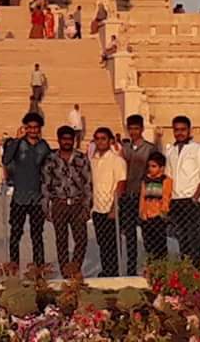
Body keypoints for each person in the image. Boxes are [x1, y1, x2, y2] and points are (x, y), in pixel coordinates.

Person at [2, 112, 51, 270]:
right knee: (16, 233)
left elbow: (49, 168)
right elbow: (6, 159)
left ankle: (39, 267)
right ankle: (14, 264)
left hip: (36, 197)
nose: (32, 130)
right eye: (29, 127)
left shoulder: (44, 147)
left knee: (37, 234)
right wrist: (16, 140)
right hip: (20, 197)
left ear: (40, 129)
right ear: (25, 128)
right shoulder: (18, 145)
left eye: (35, 128)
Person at [42, 126, 91, 278]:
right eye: (64, 139)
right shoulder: (51, 159)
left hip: (77, 204)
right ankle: (65, 272)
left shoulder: (81, 158)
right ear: (59, 140)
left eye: (70, 139)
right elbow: (45, 184)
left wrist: (87, 206)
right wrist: (46, 207)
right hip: (59, 204)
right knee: (61, 241)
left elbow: (88, 183)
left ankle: (74, 269)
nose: (67, 142)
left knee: (81, 240)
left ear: (74, 140)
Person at [164, 115, 200, 267]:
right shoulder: (170, 151)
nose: (179, 133)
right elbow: (168, 176)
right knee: (181, 236)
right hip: (176, 200)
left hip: (191, 198)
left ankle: (196, 269)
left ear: (189, 130)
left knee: (193, 236)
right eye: (176, 130)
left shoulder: (199, 150)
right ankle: (185, 267)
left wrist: (195, 198)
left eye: (183, 130)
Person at [120, 114, 157, 276]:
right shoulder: (125, 148)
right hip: (128, 197)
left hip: (143, 197)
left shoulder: (150, 148)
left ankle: (151, 268)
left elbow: (154, 174)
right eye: (131, 129)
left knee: (148, 234)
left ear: (141, 129)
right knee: (130, 236)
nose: (133, 132)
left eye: (136, 128)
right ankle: (131, 269)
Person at [89, 127, 126, 277]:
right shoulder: (93, 160)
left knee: (112, 243)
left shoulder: (117, 160)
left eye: (103, 138)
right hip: (98, 208)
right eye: (97, 138)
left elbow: (121, 184)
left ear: (110, 140)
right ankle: (106, 270)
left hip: (111, 207)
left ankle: (114, 271)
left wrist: (114, 208)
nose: (100, 142)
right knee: (102, 242)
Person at [138, 151, 173, 261]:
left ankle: (161, 269)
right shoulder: (146, 179)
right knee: (148, 244)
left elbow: (166, 197)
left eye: (154, 166)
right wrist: (141, 212)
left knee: (160, 245)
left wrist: (163, 213)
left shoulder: (166, 180)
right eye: (149, 166)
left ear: (161, 168)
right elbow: (142, 196)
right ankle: (151, 267)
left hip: (158, 217)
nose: (150, 169)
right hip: (147, 216)